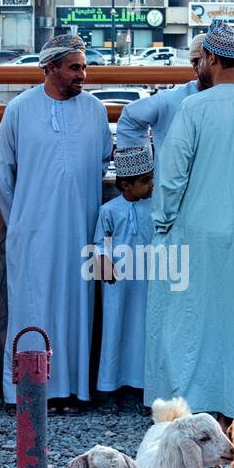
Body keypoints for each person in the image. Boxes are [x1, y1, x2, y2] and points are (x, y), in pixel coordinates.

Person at [143, 20, 234, 423]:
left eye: (199, 59)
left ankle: (188, 414)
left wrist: (163, 226)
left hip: (193, 236)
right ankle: (233, 416)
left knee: (187, 327)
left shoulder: (193, 108)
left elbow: (170, 179)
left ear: (210, 58)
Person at [0, 33, 111, 411]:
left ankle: (72, 391)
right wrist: (22, 223)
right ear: (50, 68)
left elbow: (105, 161)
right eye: (75, 67)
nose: (83, 75)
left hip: (79, 230)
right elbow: (2, 174)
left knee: (76, 309)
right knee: (32, 307)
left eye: (85, 67)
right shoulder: (20, 109)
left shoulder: (95, 110)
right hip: (31, 233)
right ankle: (28, 390)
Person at [92, 145, 155, 402]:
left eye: (151, 178)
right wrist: (104, 262)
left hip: (148, 278)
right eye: (144, 181)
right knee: (115, 326)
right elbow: (101, 242)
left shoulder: (155, 207)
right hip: (117, 281)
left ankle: (145, 385)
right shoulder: (109, 210)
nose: (151, 185)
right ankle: (111, 386)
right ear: (126, 185)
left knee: (144, 329)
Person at [115, 34, 208, 154]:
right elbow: (130, 117)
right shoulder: (171, 100)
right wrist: (140, 170)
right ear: (195, 65)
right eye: (210, 61)